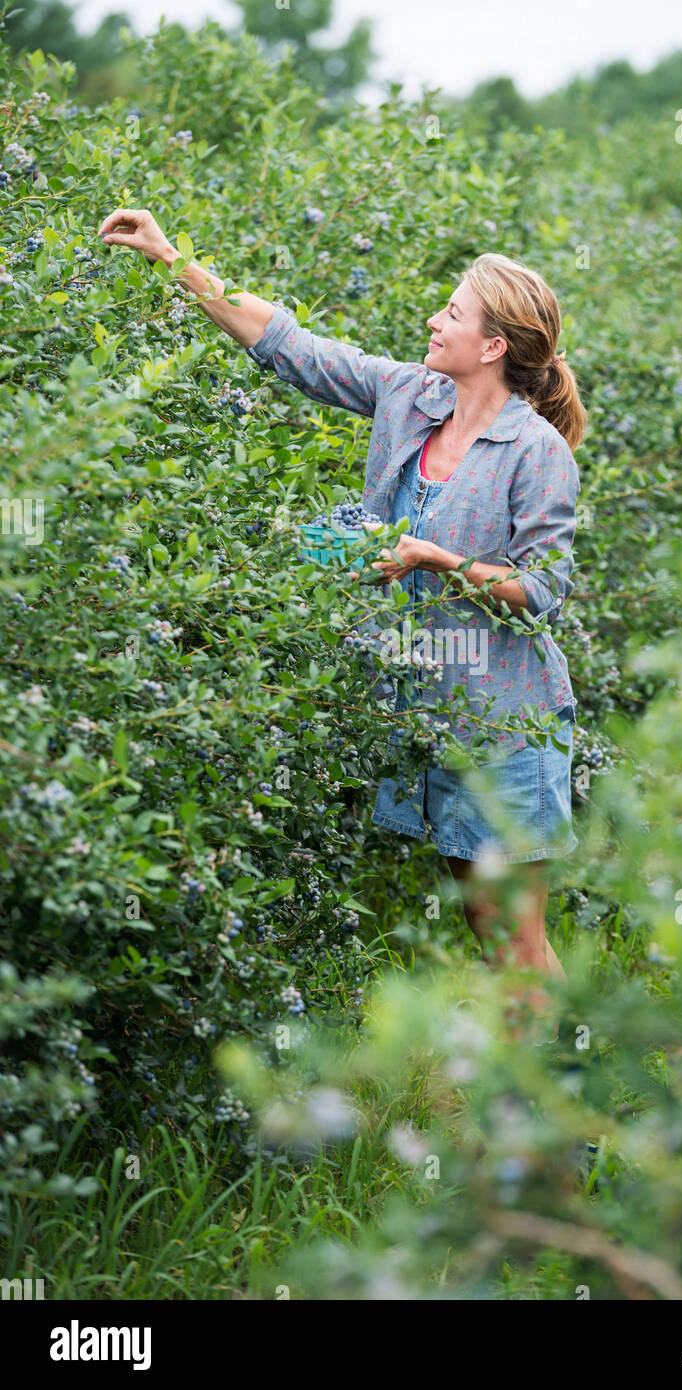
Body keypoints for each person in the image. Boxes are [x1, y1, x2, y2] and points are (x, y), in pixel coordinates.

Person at [96, 207, 587, 1036]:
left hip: (503, 719)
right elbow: (288, 345)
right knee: (486, 926)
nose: (434, 321)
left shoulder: (537, 453)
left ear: (493, 345)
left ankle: (569, 1125)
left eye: (453, 313)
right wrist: (171, 259)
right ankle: (540, 1112)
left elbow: (541, 592)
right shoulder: (409, 395)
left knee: (514, 939)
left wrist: (434, 558)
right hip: (428, 711)